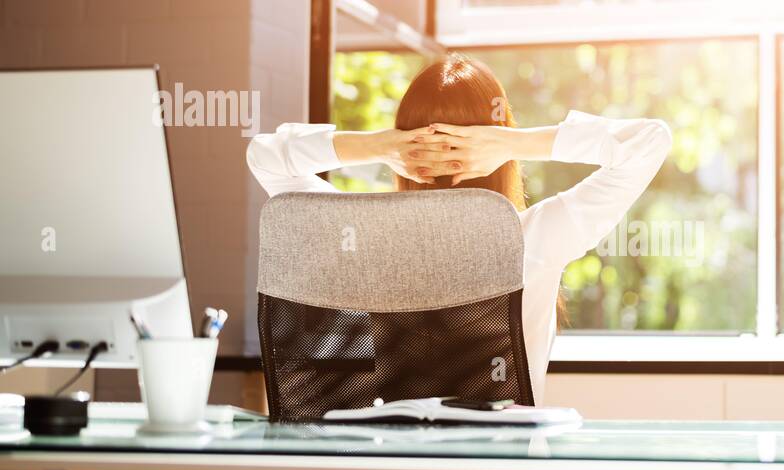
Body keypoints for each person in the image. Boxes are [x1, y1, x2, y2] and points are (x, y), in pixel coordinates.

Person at [246, 53, 672, 404]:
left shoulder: (357, 240)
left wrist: (379, 146)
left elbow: (266, 156)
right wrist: (512, 143)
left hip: (384, 467)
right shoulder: (533, 240)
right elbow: (648, 142)